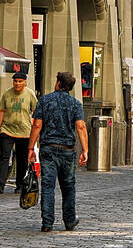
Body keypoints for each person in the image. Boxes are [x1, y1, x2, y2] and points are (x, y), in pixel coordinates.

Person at [27, 71, 88, 232]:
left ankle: (47, 222)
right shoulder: (75, 104)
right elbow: (80, 126)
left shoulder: (45, 100)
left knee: (48, 186)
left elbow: (37, 126)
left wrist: (31, 148)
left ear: (59, 84)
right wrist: (85, 150)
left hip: (48, 149)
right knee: (68, 186)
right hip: (68, 150)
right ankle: (69, 221)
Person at [0, 69, 37, 195]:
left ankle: (20, 184)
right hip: (7, 130)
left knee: (22, 159)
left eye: (20, 81)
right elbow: (2, 111)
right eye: (15, 81)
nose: (17, 84)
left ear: (25, 82)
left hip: (24, 132)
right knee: (4, 156)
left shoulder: (29, 94)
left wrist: (34, 127)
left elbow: (36, 111)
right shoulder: (7, 94)